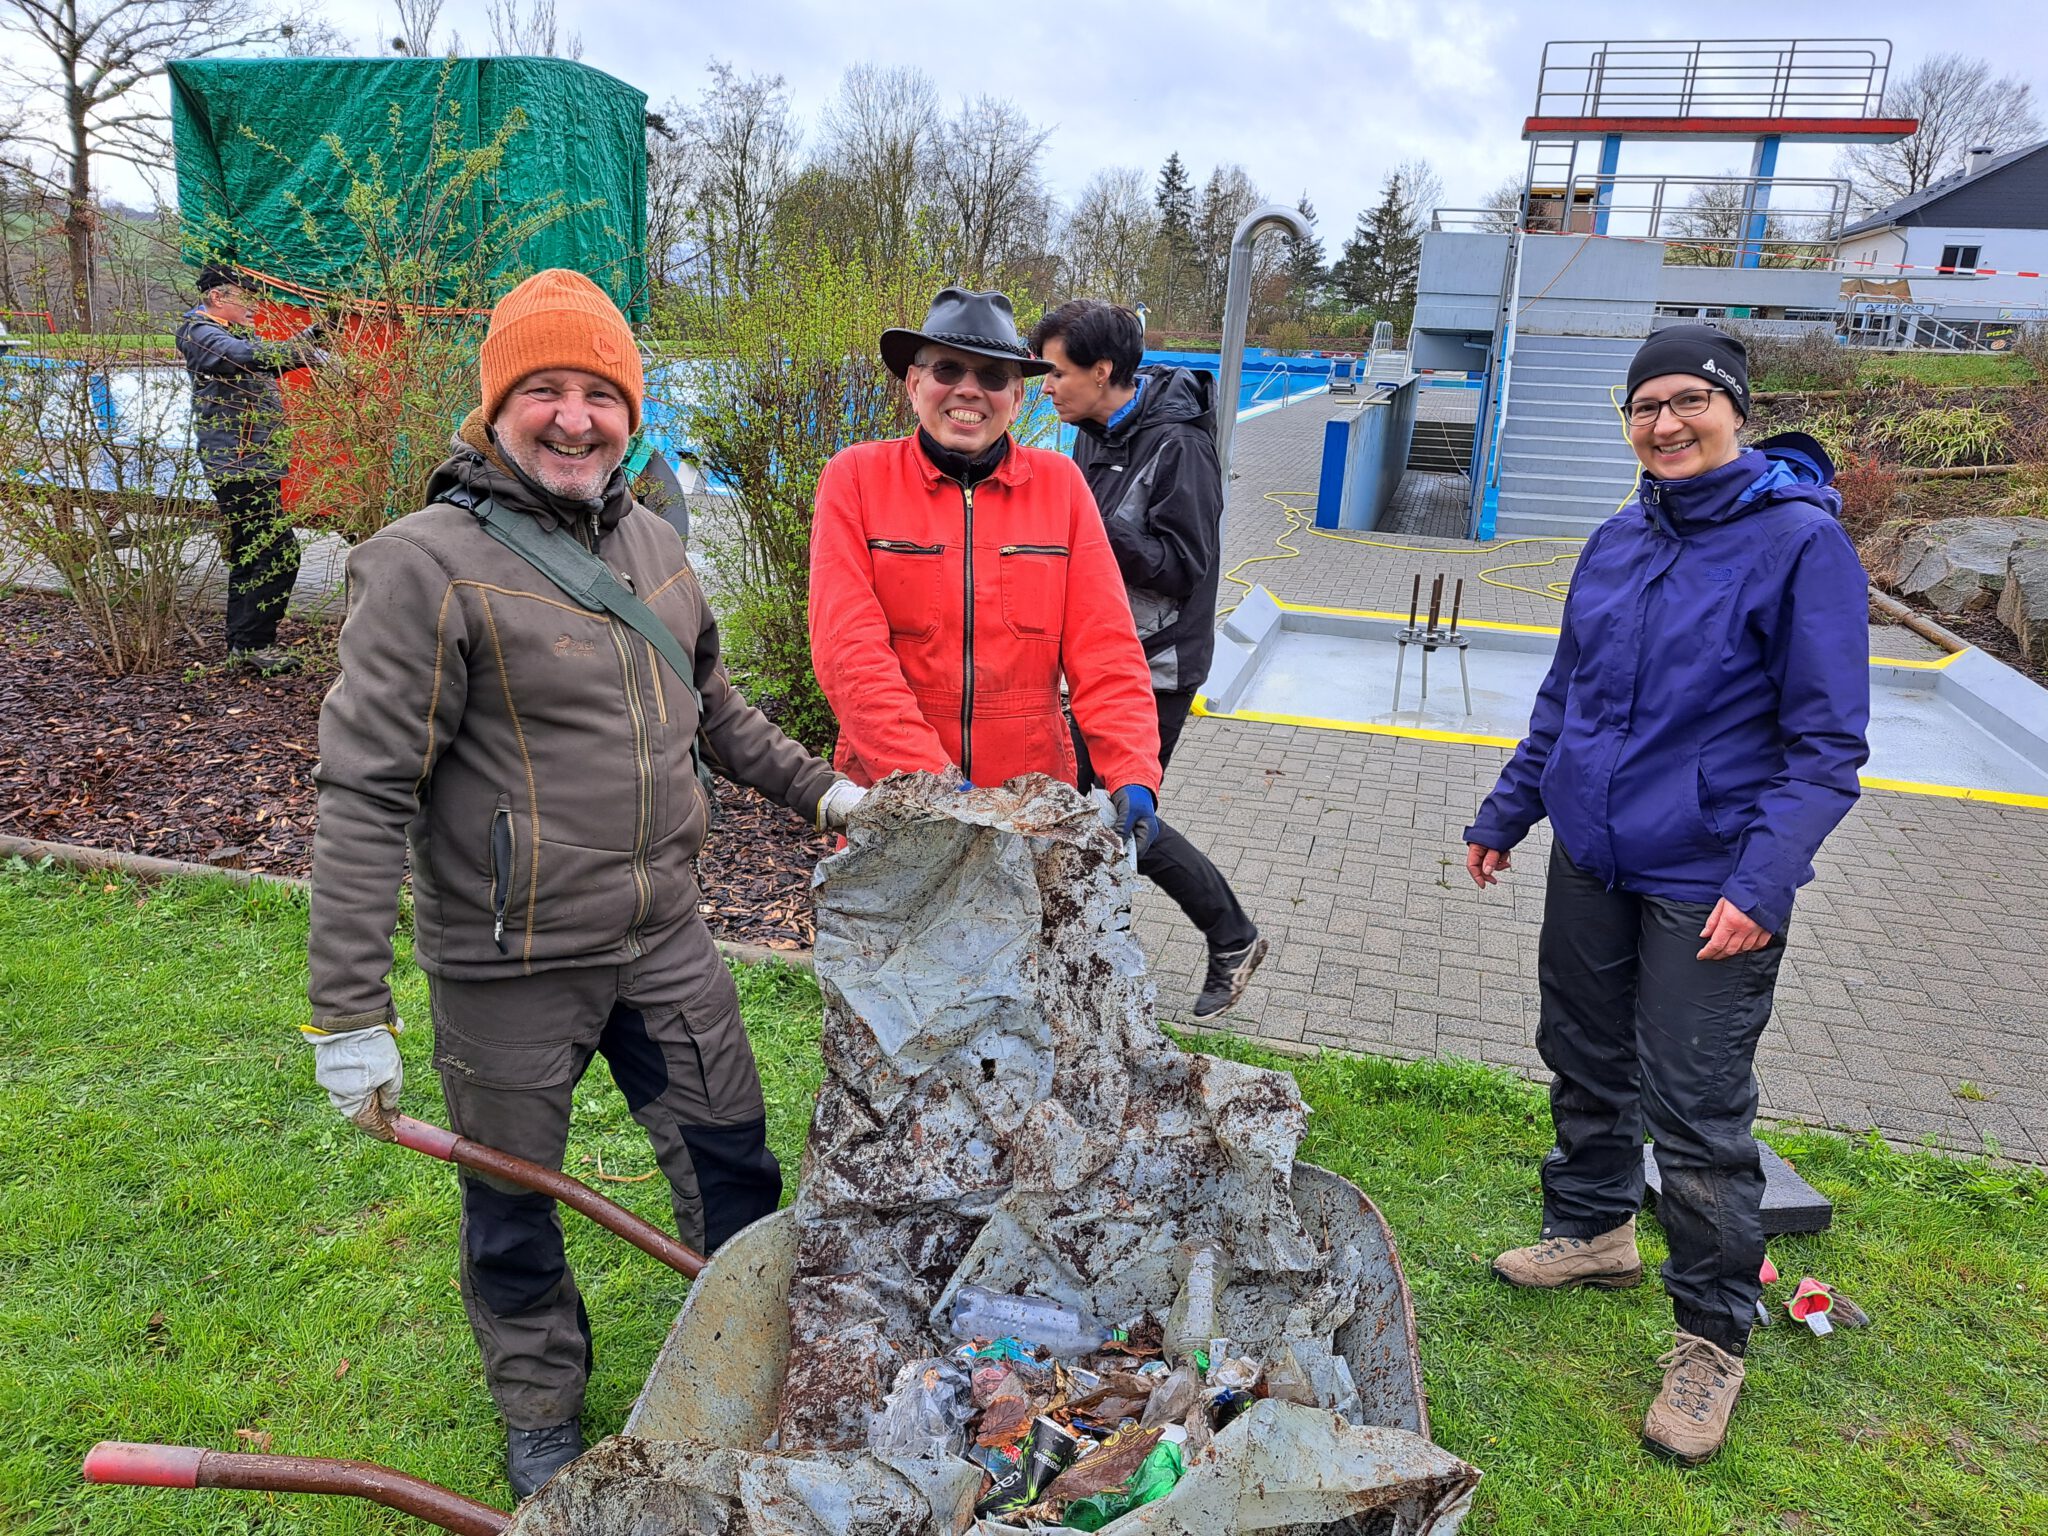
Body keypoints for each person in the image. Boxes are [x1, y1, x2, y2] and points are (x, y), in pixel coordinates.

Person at [303, 268, 865, 1499]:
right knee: (511, 1214)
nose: (574, 419)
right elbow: (361, 794)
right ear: (495, 407)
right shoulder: (421, 566)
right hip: (507, 963)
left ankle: (749, 1370)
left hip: (662, 941)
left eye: (599, 393)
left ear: (632, 410)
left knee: (733, 1168)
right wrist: (349, 1011)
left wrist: (827, 793)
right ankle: (541, 1412)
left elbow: (713, 707)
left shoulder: (654, 542)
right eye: (543, 391)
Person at [1463, 325, 1870, 1464]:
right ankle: (1591, 1228)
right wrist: (1507, 811)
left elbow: (1826, 743)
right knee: (1583, 1054)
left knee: (1694, 1113)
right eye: (1642, 407)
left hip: (1712, 881)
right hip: (1591, 858)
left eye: (1688, 401)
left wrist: (1763, 879)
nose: (1663, 424)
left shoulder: (1799, 547)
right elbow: (1565, 699)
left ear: (1734, 408)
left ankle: (1708, 1341)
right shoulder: (1613, 540)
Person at [808, 286, 1164, 858]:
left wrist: (1132, 770)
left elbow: (1106, 645)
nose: (969, 389)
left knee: (1025, 947)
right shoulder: (856, 477)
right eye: (948, 369)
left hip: (1028, 802)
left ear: (1017, 397)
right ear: (913, 383)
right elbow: (848, 651)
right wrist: (935, 784)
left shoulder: (1062, 487)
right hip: (897, 792)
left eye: (994, 376)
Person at [1029, 299, 1268, 1018]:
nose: (1045, 388)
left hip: (1155, 663)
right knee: (1082, 806)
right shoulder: (1091, 433)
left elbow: (1183, 566)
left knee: (1108, 807)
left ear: (1103, 373)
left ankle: (1230, 936)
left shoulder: (1180, 448)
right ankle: (1092, 952)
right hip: (1095, 655)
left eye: (1055, 373)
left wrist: (1092, 525)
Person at [174, 266, 327, 673]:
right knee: (278, 553)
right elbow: (243, 359)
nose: (253, 305)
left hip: (254, 464)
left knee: (250, 553)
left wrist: (314, 335)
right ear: (219, 298)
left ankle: (244, 645)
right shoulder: (199, 332)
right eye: (245, 297)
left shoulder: (231, 334)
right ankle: (254, 644)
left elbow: (266, 360)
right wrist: (304, 352)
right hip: (237, 466)